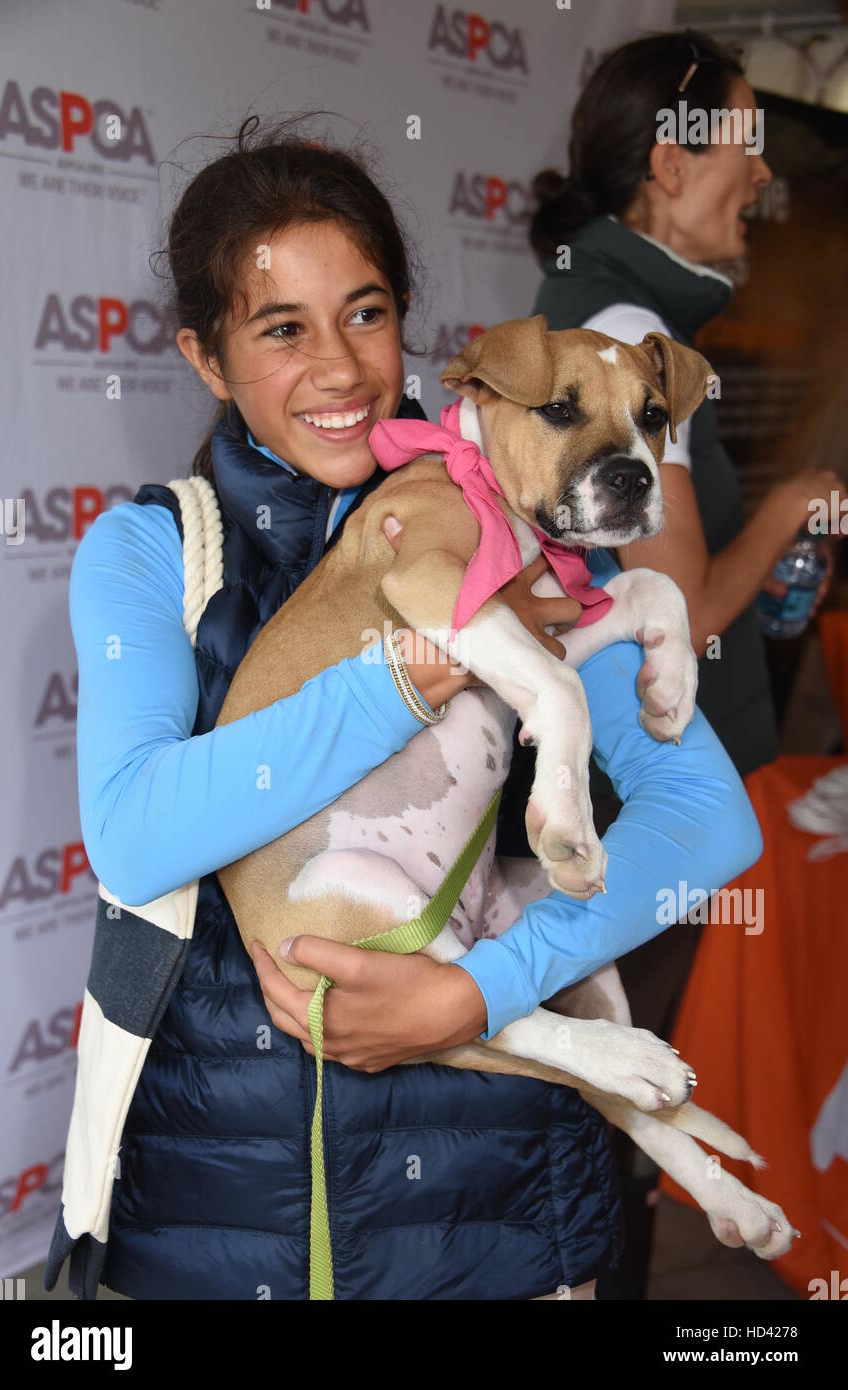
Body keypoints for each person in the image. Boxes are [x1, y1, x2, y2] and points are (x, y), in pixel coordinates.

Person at [49, 115, 764, 1302]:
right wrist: (404, 675)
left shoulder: (506, 519)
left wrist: (474, 994)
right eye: (282, 330)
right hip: (221, 1224)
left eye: (367, 314)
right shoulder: (153, 554)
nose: (338, 367)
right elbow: (134, 833)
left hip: (497, 1214)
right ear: (206, 357)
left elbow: (706, 823)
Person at [525, 28, 845, 1297]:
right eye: (748, 144)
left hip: (630, 792)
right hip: (633, 802)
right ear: (669, 163)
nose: (765, 177)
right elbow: (685, 610)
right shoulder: (620, 330)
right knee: (626, 1117)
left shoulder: (633, 319)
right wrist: (797, 503)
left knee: (629, 1115)